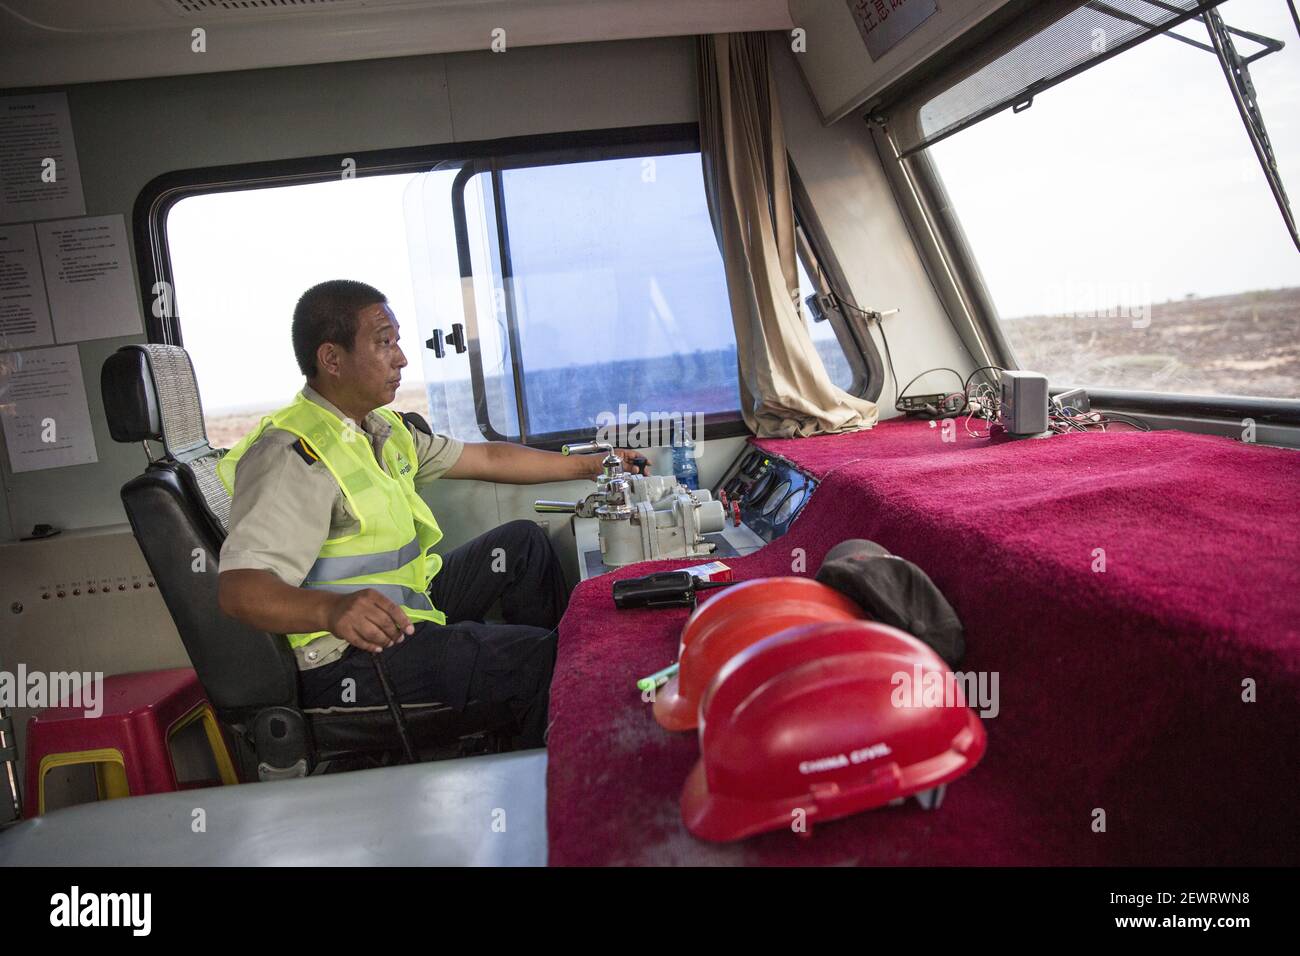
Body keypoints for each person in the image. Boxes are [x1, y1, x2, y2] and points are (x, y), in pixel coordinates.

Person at [216, 279, 645, 750]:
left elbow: (488, 460)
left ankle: (526, 689)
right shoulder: (293, 456)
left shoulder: (380, 430)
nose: (400, 358)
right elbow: (240, 591)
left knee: (522, 544)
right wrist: (332, 610)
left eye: (397, 342)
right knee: (546, 661)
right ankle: (542, 714)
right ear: (332, 359)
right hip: (346, 658)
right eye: (384, 343)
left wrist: (589, 465)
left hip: (407, 606)